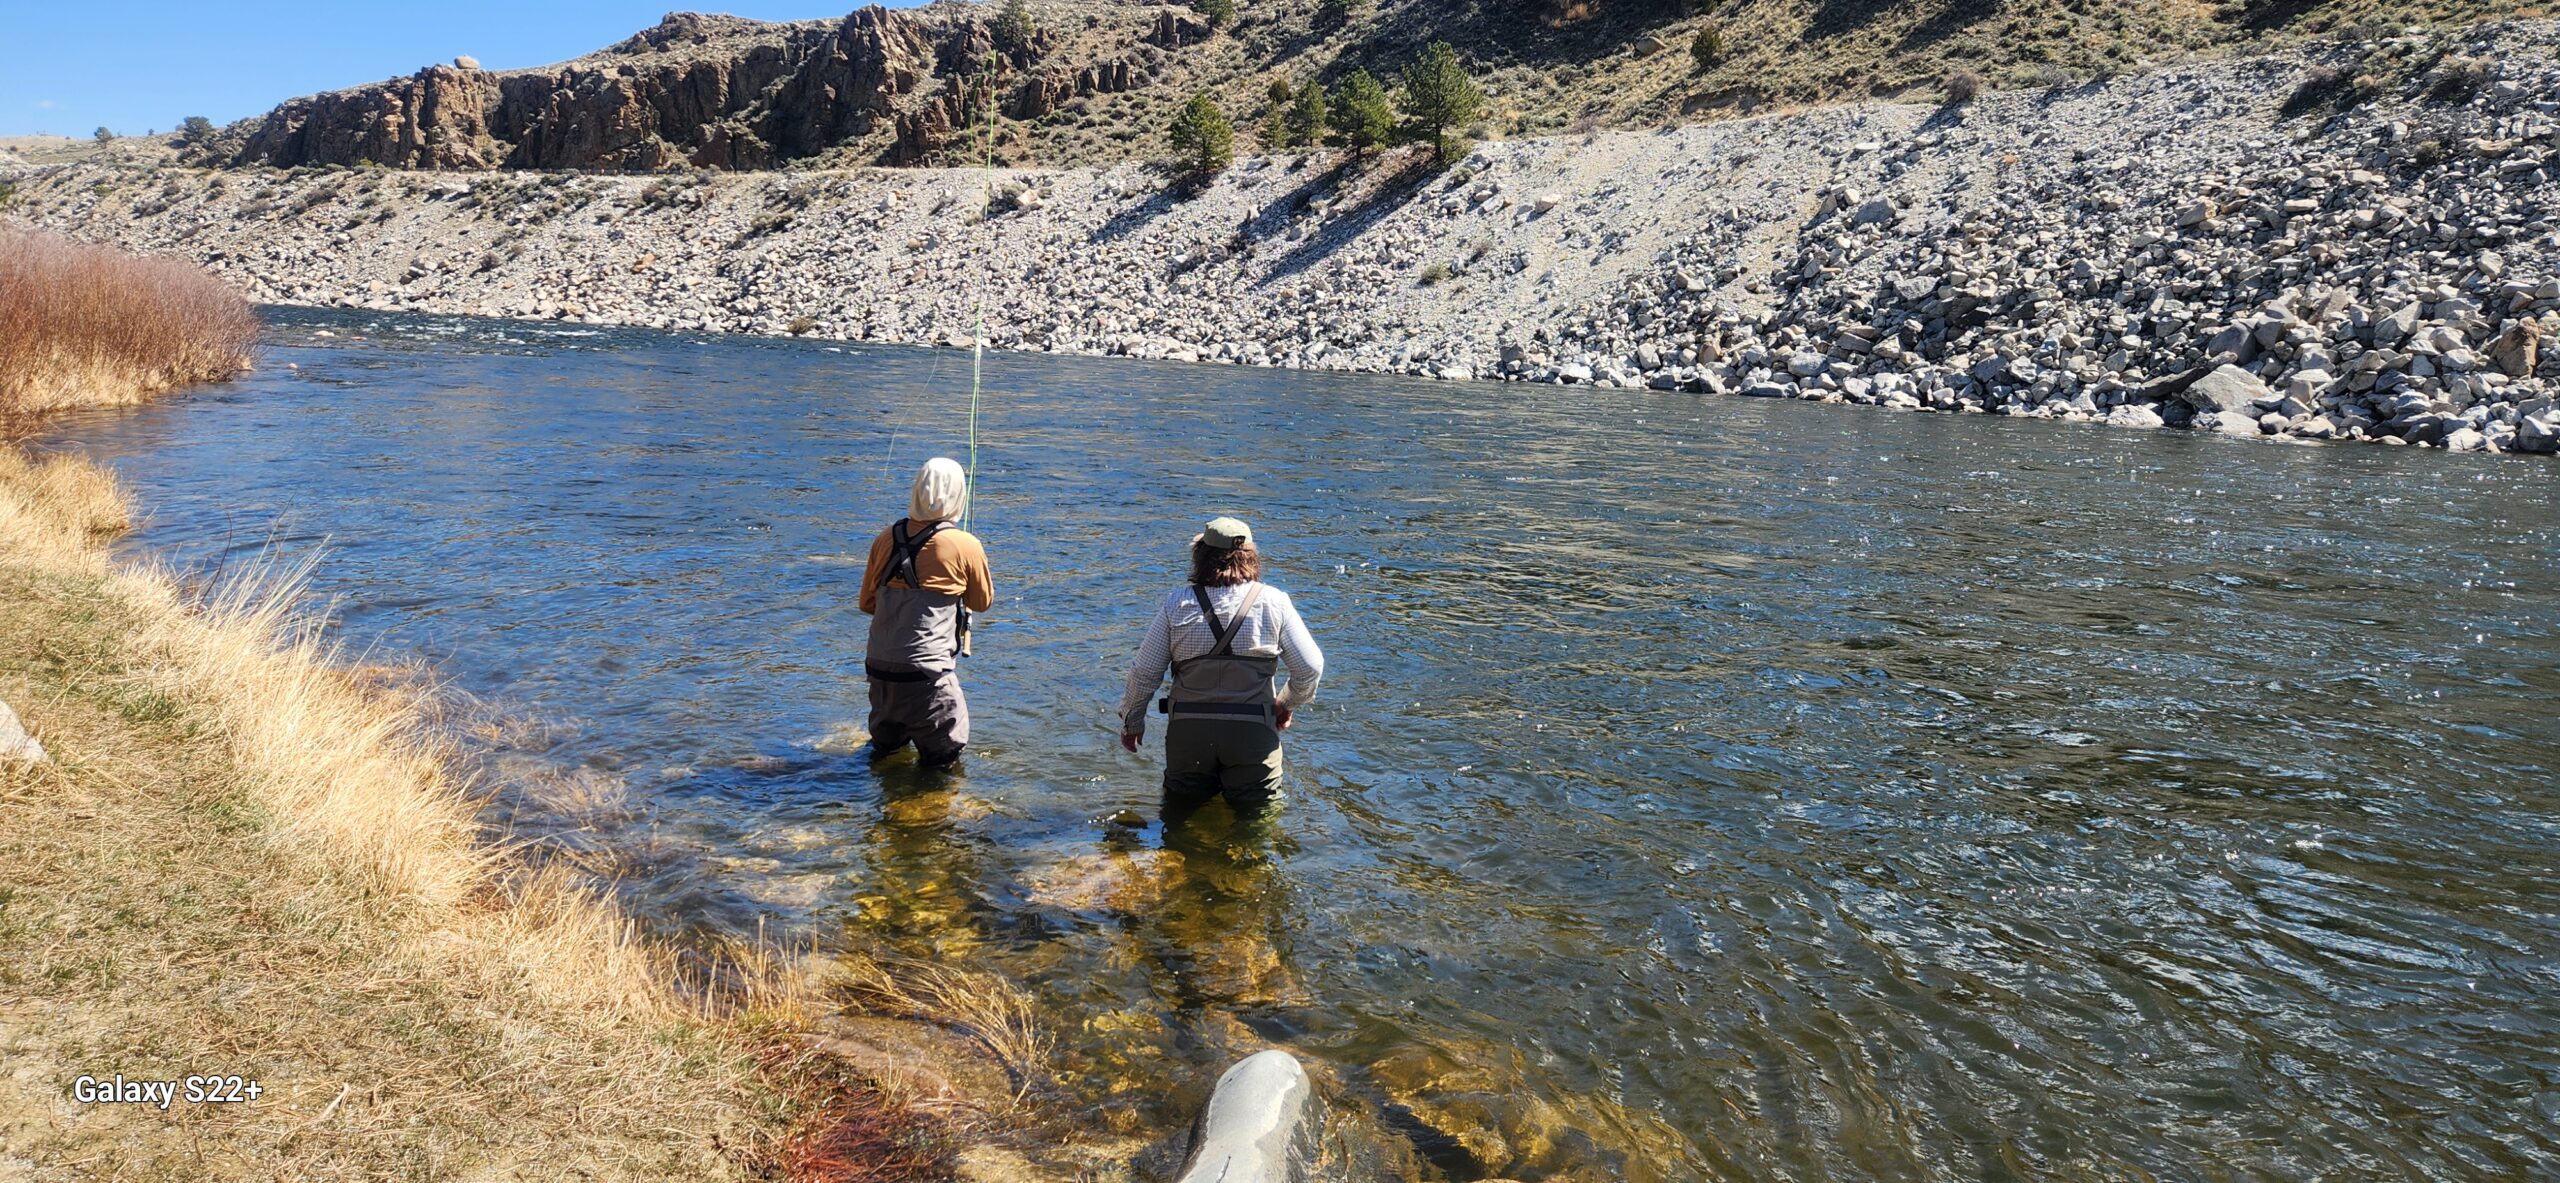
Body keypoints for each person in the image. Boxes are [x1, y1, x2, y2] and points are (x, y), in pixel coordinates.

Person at [1118, 516, 1324, 817]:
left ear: (1200, 556)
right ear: (1251, 557)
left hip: (1189, 737)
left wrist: (1132, 722)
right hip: (1252, 734)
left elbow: (1145, 672)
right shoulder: (1274, 602)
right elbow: (1310, 667)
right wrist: (1286, 703)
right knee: (1258, 825)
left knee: (1180, 819)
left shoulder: (1177, 603)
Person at [859, 457, 994, 769]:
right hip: (928, 675)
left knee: (886, 757)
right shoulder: (964, 544)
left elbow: (867, 603)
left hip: (879, 670)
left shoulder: (885, 537)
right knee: (944, 760)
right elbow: (982, 601)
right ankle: (931, 817)